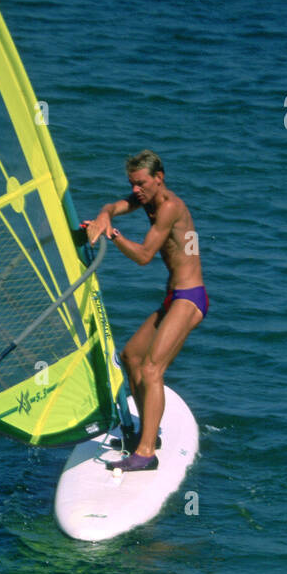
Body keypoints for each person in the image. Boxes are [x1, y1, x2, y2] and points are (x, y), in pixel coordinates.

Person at [84, 150, 207, 472]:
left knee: (152, 369)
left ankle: (146, 452)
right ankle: (146, 435)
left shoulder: (169, 207)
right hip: (173, 297)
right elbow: (113, 207)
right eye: (132, 184)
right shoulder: (148, 200)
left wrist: (112, 234)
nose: (135, 190)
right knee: (131, 357)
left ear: (158, 178)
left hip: (190, 298)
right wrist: (104, 215)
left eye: (141, 183)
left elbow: (143, 256)